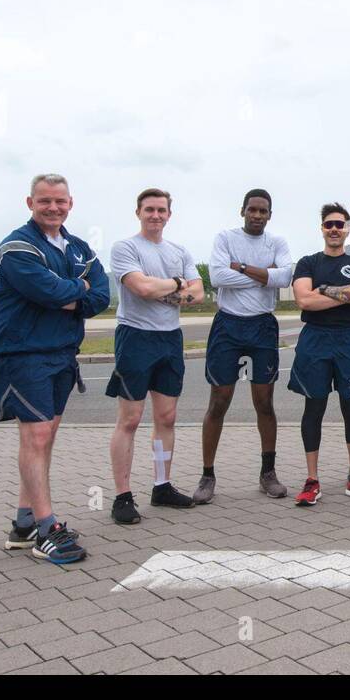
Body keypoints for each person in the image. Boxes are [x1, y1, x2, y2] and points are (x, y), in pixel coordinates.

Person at [0, 173, 111, 564]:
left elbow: (102, 295)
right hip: (24, 353)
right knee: (36, 437)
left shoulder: (78, 247)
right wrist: (78, 290)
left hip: (61, 352)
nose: (53, 208)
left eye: (60, 201)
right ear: (30, 203)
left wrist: (73, 294)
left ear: (70, 203)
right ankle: (46, 529)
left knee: (45, 438)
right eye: (44, 201)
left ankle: (24, 524)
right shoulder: (17, 247)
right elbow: (49, 291)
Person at [105, 188, 206, 525]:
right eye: (149, 210)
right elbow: (141, 289)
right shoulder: (126, 248)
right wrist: (177, 283)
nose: (155, 215)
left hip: (169, 339)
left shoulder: (179, 250)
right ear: (138, 212)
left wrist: (167, 288)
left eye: (161, 210)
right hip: (135, 337)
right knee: (130, 418)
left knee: (167, 417)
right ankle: (122, 495)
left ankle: (161, 486)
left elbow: (199, 293)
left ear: (169, 214)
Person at [200, 189, 293, 502]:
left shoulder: (276, 243)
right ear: (242, 211)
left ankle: (268, 473)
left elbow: (284, 278)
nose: (257, 215)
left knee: (264, 402)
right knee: (219, 401)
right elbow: (216, 276)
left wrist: (239, 268)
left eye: (263, 211)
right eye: (252, 209)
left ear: (269, 215)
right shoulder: (225, 238)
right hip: (228, 324)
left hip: (262, 326)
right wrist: (263, 276)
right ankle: (207, 475)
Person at [288, 203, 350, 505]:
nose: (335, 229)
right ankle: (312, 480)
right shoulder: (308, 263)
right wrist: (343, 293)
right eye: (329, 224)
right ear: (322, 228)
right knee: (314, 408)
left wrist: (323, 290)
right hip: (315, 340)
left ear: (349, 227)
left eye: (340, 224)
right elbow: (304, 301)